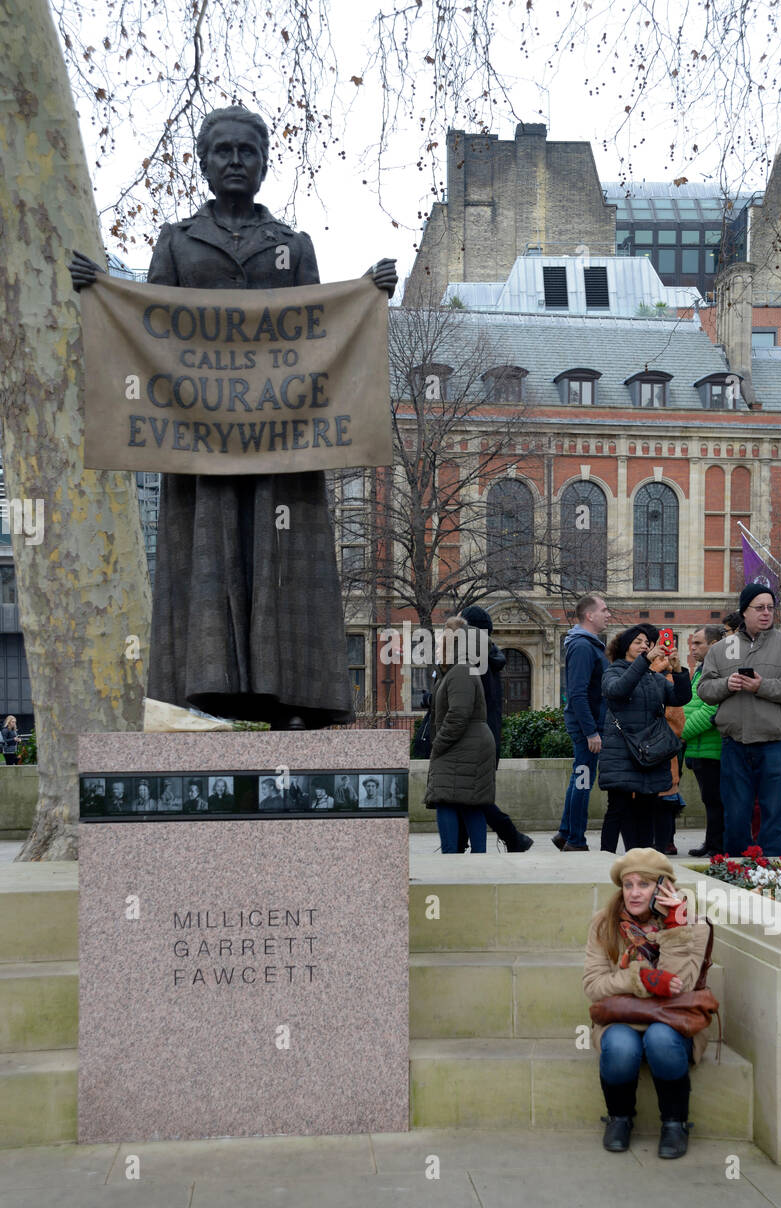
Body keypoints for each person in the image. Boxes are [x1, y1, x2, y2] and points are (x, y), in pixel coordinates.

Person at [69, 106, 397, 731]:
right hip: (200, 444)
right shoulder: (177, 241)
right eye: (223, 151)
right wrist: (101, 290)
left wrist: (366, 291)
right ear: (204, 161)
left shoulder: (293, 247)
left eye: (247, 151)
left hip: (283, 442)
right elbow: (148, 323)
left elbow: (320, 330)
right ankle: (208, 692)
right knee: (209, 554)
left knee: (284, 555)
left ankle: (294, 699)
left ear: (265, 161)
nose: (236, 162)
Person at [583, 849, 713, 1158]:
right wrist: (638, 980)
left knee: (660, 1040)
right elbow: (593, 985)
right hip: (622, 1017)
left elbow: (680, 985)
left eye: (644, 884)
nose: (634, 893)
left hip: (673, 1019)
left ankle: (674, 1124)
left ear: (663, 887)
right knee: (620, 1046)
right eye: (628, 885)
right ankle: (619, 1118)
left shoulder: (693, 924)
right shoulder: (605, 923)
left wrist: (674, 929)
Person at [697, 583, 781, 857]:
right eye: (759, 608)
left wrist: (761, 686)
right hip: (734, 746)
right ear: (744, 612)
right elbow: (705, 690)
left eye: (770, 608)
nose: (766, 613)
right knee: (735, 815)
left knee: (775, 814)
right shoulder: (721, 649)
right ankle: (737, 870)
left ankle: (774, 876)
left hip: (775, 745)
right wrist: (728, 683)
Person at [597, 625, 691, 850]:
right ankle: (604, 859)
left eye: (647, 642)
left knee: (646, 807)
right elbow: (618, 690)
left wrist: (678, 672)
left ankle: (643, 858)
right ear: (625, 647)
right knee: (617, 808)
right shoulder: (614, 671)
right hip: (621, 752)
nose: (644, 645)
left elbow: (680, 698)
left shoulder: (654, 678)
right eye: (638, 642)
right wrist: (644, 661)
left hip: (649, 752)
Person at [457, 606, 533, 852]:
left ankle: (512, 836)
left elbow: (462, 701)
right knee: (467, 792)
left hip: (473, 736)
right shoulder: (489, 657)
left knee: (470, 794)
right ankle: (463, 842)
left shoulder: (471, 659)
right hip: (489, 735)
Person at [424, 615, 497, 853]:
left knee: (445, 800)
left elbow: (458, 715)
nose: (436, 645)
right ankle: (477, 860)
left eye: (440, 640)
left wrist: (438, 745)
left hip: (461, 745)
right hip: (467, 744)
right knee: (470, 803)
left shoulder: (461, 671)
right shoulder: (459, 670)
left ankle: (451, 858)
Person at [553, 593, 611, 852]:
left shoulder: (586, 644)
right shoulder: (583, 646)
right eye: (604, 610)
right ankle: (575, 839)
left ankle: (566, 833)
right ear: (589, 615)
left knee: (580, 776)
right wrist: (591, 732)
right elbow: (577, 693)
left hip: (589, 724)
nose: (608, 615)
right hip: (588, 727)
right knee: (583, 779)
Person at [682, 625, 725, 858]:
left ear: (714, 645)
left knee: (716, 800)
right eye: (692, 643)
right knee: (709, 800)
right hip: (698, 748)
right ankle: (711, 843)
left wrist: (682, 732)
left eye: (698, 643)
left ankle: (717, 846)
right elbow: (690, 704)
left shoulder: (718, 669)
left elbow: (710, 708)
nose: (693, 648)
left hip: (711, 748)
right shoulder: (701, 669)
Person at [649, 645, 686, 856]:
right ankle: (665, 843)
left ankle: (657, 843)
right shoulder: (669, 679)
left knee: (654, 802)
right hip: (665, 752)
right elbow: (678, 723)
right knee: (665, 801)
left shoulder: (640, 677)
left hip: (646, 752)